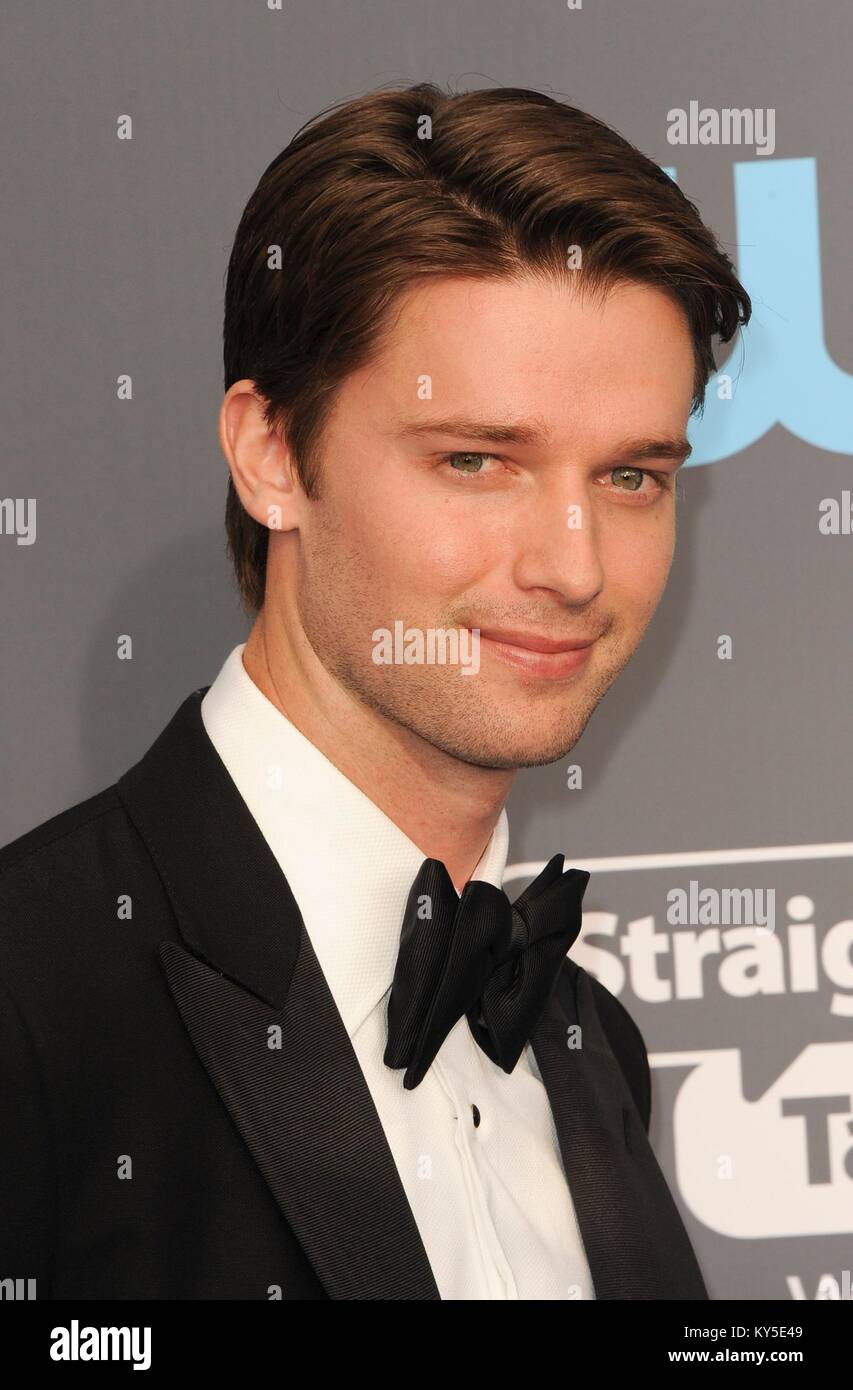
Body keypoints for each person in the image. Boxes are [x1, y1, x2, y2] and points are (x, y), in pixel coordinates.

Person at [0, 82, 750, 1300]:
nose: (571, 565)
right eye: (475, 459)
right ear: (272, 455)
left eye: (629, 476)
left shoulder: (584, 1040)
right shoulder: (35, 1002)